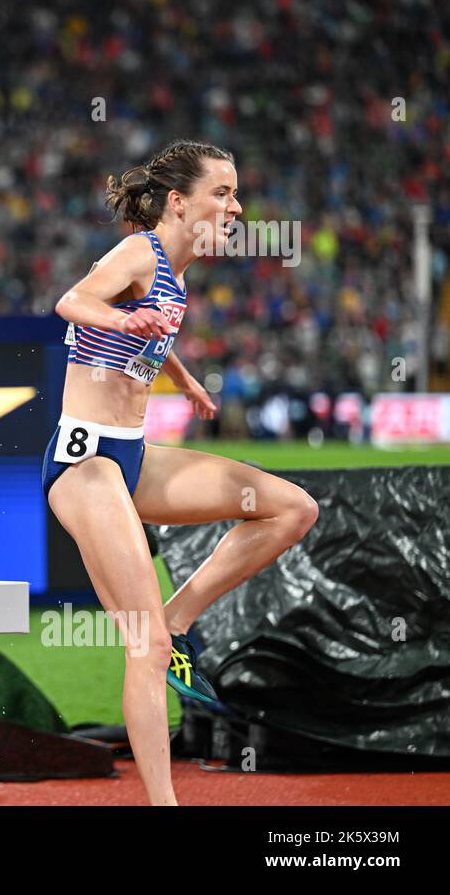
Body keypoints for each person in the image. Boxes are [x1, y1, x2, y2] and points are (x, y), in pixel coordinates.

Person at [45, 139, 319, 805]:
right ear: (178, 202)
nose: (236, 205)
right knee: (140, 647)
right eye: (222, 193)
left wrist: (185, 378)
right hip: (84, 463)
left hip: (133, 458)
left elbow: (152, 334)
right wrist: (122, 316)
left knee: (291, 508)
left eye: (235, 193)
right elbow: (71, 303)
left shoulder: (178, 271)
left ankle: (178, 618)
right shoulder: (141, 251)